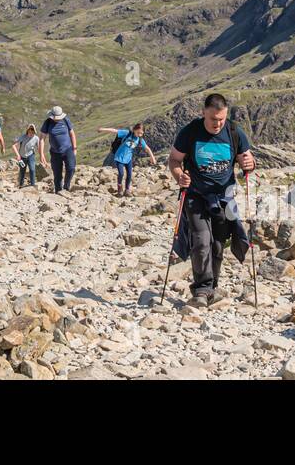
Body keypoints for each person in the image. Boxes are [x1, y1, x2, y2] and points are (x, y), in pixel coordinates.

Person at [168, 93, 256, 307]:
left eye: (221, 119)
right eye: (213, 119)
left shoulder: (234, 132)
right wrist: (180, 176)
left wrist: (250, 164)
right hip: (195, 195)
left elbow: (248, 161)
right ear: (203, 113)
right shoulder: (190, 133)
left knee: (217, 244)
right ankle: (201, 289)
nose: (217, 124)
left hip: (224, 198)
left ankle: (211, 289)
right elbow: (174, 160)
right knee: (201, 239)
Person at [97, 123, 158, 197]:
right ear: (134, 130)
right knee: (121, 173)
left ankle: (127, 190)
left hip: (128, 159)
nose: (139, 135)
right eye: (138, 132)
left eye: (141, 133)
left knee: (129, 174)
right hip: (119, 157)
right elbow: (114, 131)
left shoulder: (140, 139)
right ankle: (120, 189)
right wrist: (102, 129)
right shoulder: (127, 133)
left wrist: (152, 158)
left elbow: (147, 148)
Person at [40, 106, 77, 194]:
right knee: (57, 174)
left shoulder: (65, 120)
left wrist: (74, 148)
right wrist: (41, 154)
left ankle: (66, 186)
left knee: (71, 168)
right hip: (55, 152)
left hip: (68, 149)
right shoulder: (47, 122)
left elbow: (72, 133)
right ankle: (58, 192)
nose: (57, 119)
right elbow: (42, 139)